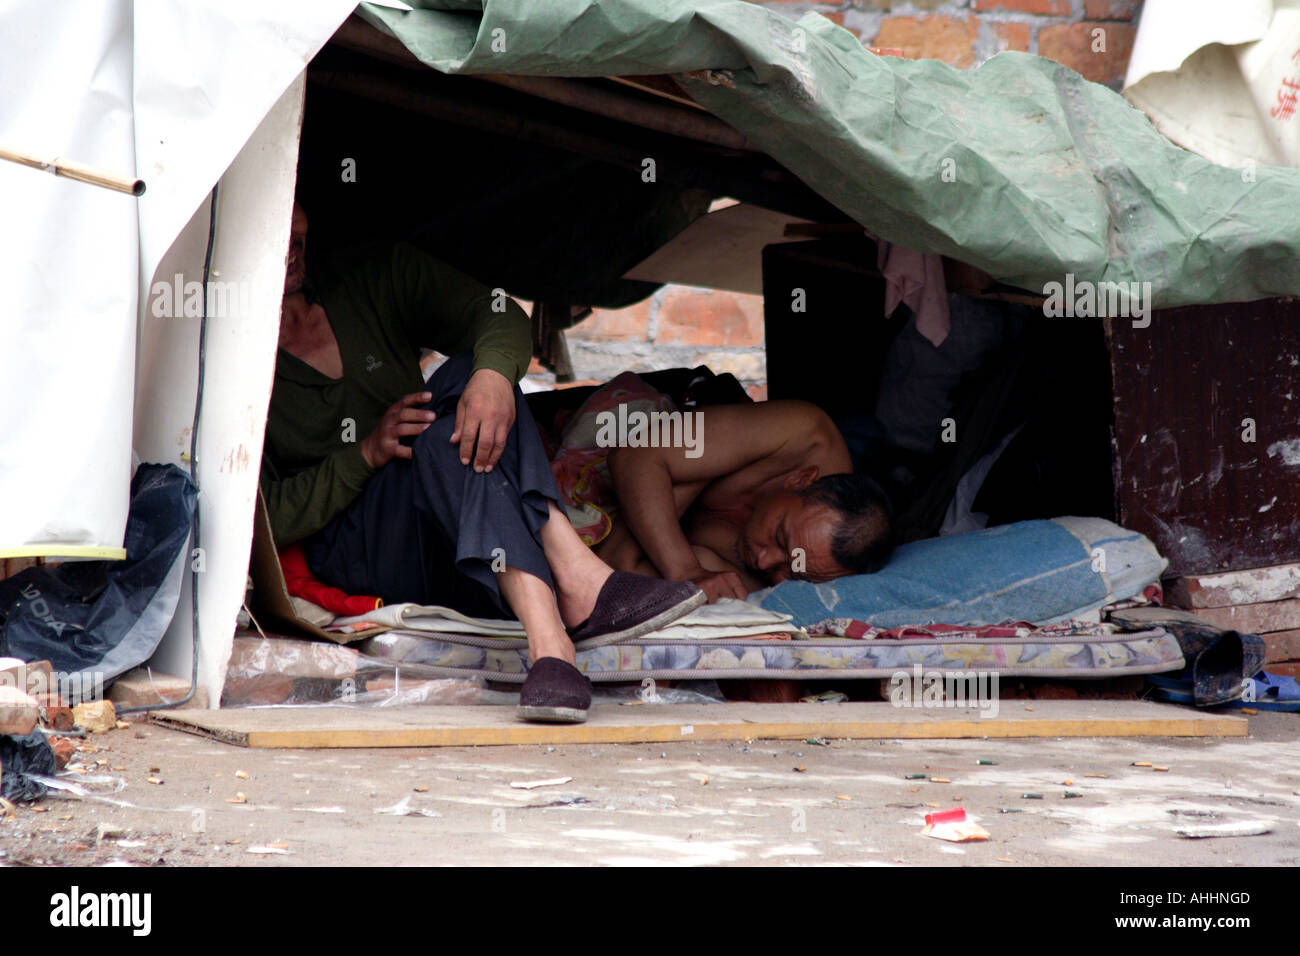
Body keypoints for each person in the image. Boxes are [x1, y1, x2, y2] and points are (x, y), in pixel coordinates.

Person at [259, 202, 704, 723]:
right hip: (359, 549)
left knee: (466, 380)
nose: (292, 247)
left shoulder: (373, 275)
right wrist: (365, 454)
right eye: (276, 232)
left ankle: (551, 643)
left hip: (451, 531)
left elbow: (496, 312)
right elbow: (263, 517)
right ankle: (574, 583)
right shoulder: (223, 348)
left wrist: (493, 378)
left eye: (298, 233)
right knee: (441, 431)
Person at [593, 399, 894, 602]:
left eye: (793, 570)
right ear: (801, 479)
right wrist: (684, 570)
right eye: (779, 536)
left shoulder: (776, 583)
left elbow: (612, 580)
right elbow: (636, 454)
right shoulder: (800, 435)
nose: (765, 561)